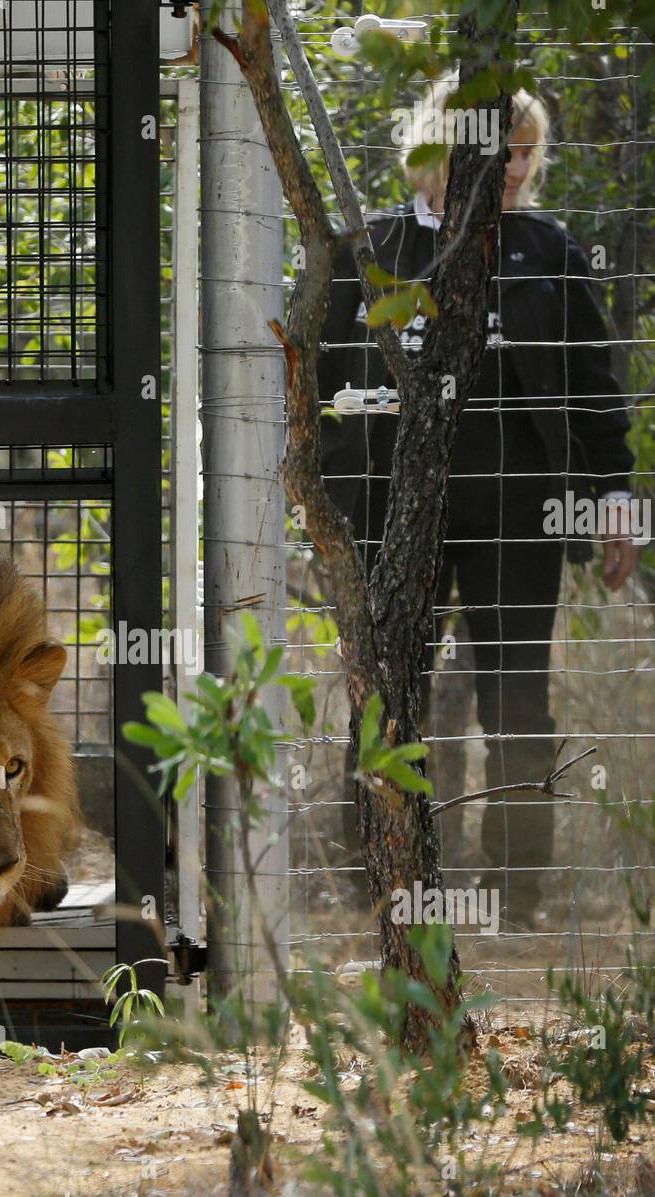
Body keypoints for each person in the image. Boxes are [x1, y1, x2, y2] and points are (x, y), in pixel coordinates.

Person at [318, 81, 637, 928]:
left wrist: (613, 499)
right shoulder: (374, 245)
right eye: (504, 151)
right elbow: (317, 384)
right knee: (391, 696)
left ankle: (515, 898)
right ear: (440, 149)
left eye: (529, 152)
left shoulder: (549, 249)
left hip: (522, 516)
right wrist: (329, 501)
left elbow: (594, 389)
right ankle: (383, 888)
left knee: (518, 702)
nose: (519, 169)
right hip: (394, 517)